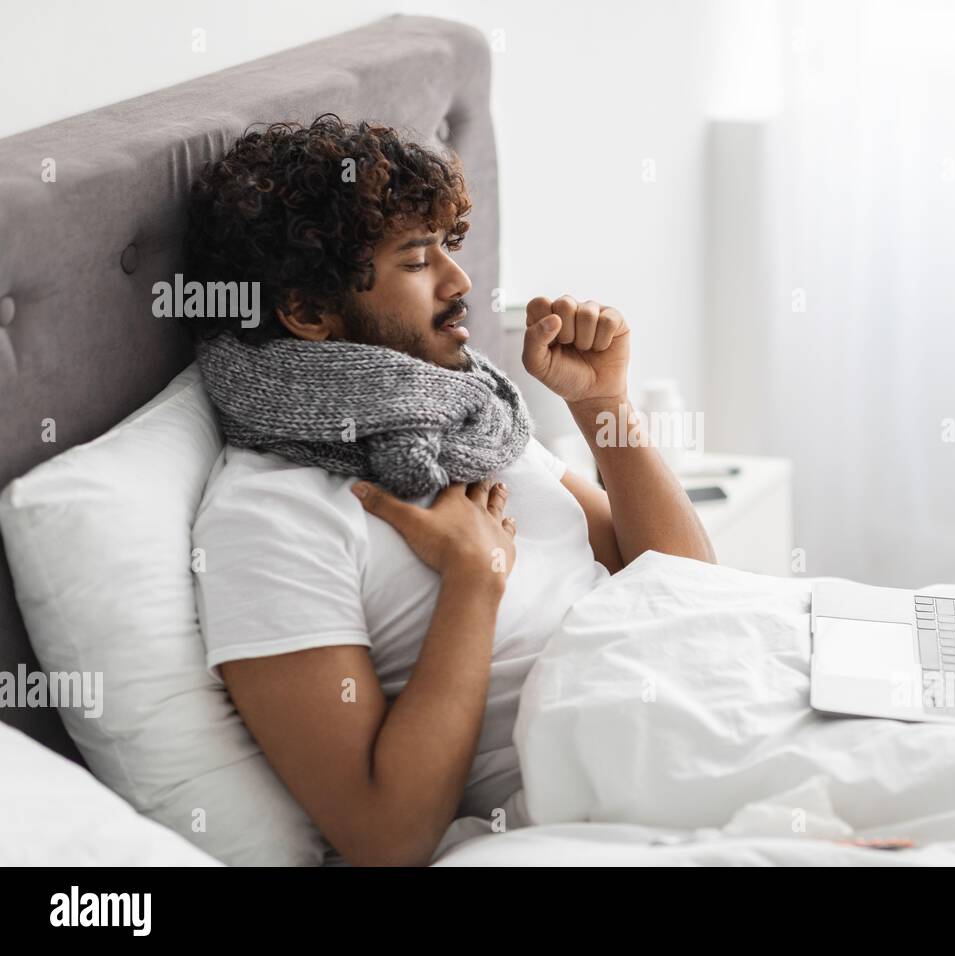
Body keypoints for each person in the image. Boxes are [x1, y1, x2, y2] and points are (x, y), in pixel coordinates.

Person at [182, 114, 715, 866]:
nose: (460, 283)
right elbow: (386, 838)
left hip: (712, 687)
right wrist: (474, 584)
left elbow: (694, 591)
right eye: (417, 261)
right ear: (306, 311)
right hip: (627, 767)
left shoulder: (471, 416)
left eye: (450, 251)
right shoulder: (269, 517)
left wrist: (603, 407)